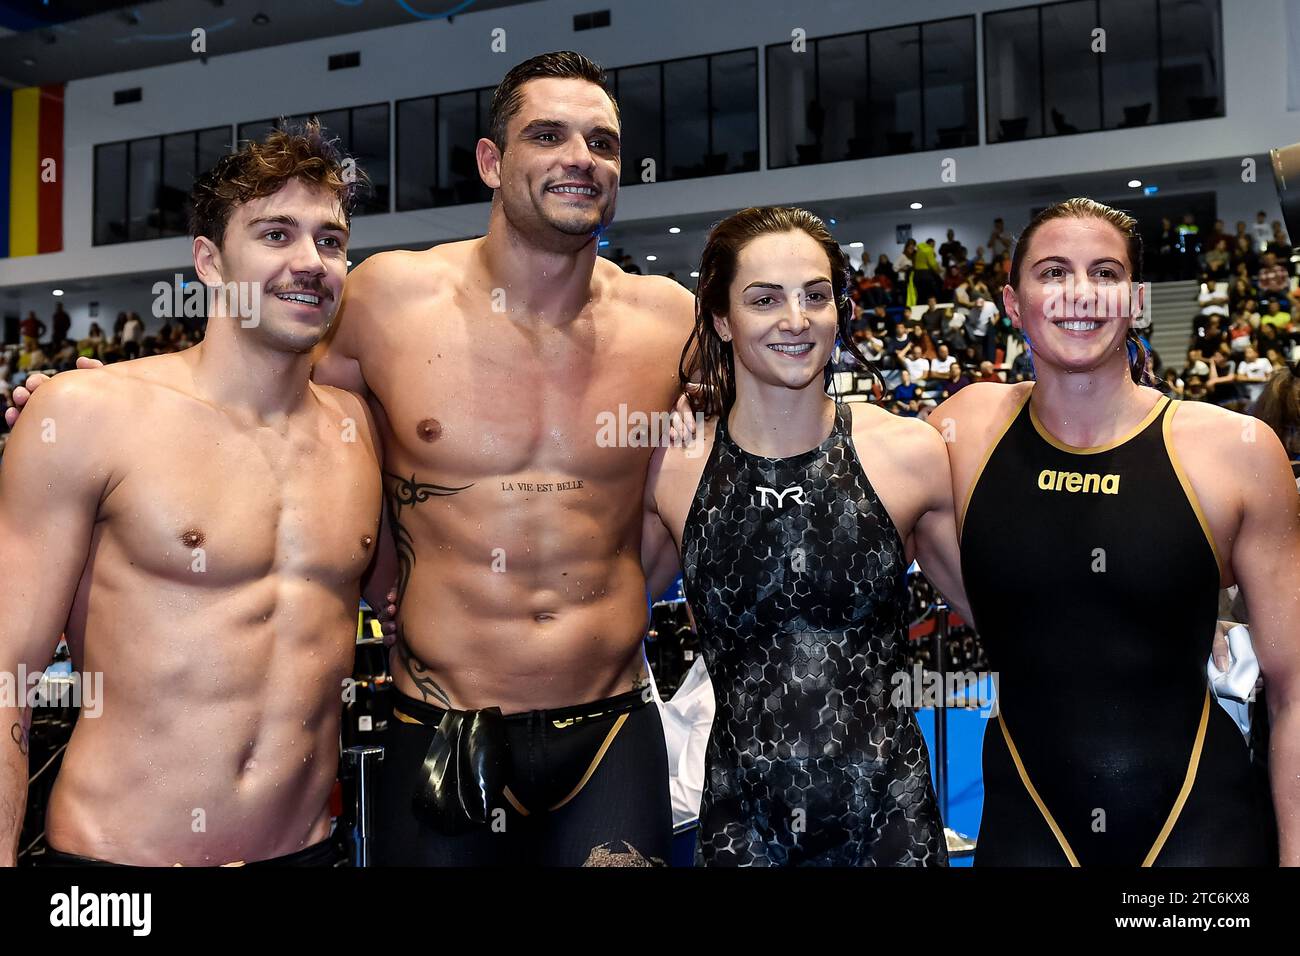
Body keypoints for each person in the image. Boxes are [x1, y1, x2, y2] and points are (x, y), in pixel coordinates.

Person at [309, 51, 693, 866]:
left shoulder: (669, 321)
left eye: (602, 142)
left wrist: (631, 583)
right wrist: (127, 401)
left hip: (610, 730)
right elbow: (277, 423)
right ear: (492, 160)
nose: (580, 158)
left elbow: (731, 463)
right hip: (442, 731)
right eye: (547, 135)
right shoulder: (387, 300)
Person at [0, 124, 384, 867]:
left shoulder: (361, 433)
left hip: (305, 854)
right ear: (209, 261)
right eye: (276, 234)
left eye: (331, 241)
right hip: (122, 870)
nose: (309, 262)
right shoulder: (88, 413)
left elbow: (415, 610)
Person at [937, 197, 1299, 866]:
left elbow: (1294, 685)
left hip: (1200, 829)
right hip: (1028, 828)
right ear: (1013, 304)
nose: (1081, 294)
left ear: (1134, 300)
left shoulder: (1234, 450)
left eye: (1105, 273)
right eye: (1053, 272)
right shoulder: (964, 429)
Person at [642, 206, 967, 865]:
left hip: (890, 825)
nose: (795, 319)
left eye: (815, 296)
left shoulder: (907, 454)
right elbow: (604, 621)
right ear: (721, 319)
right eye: (765, 299)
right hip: (743, 828)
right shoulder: (674, 467)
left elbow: (1012, 616)